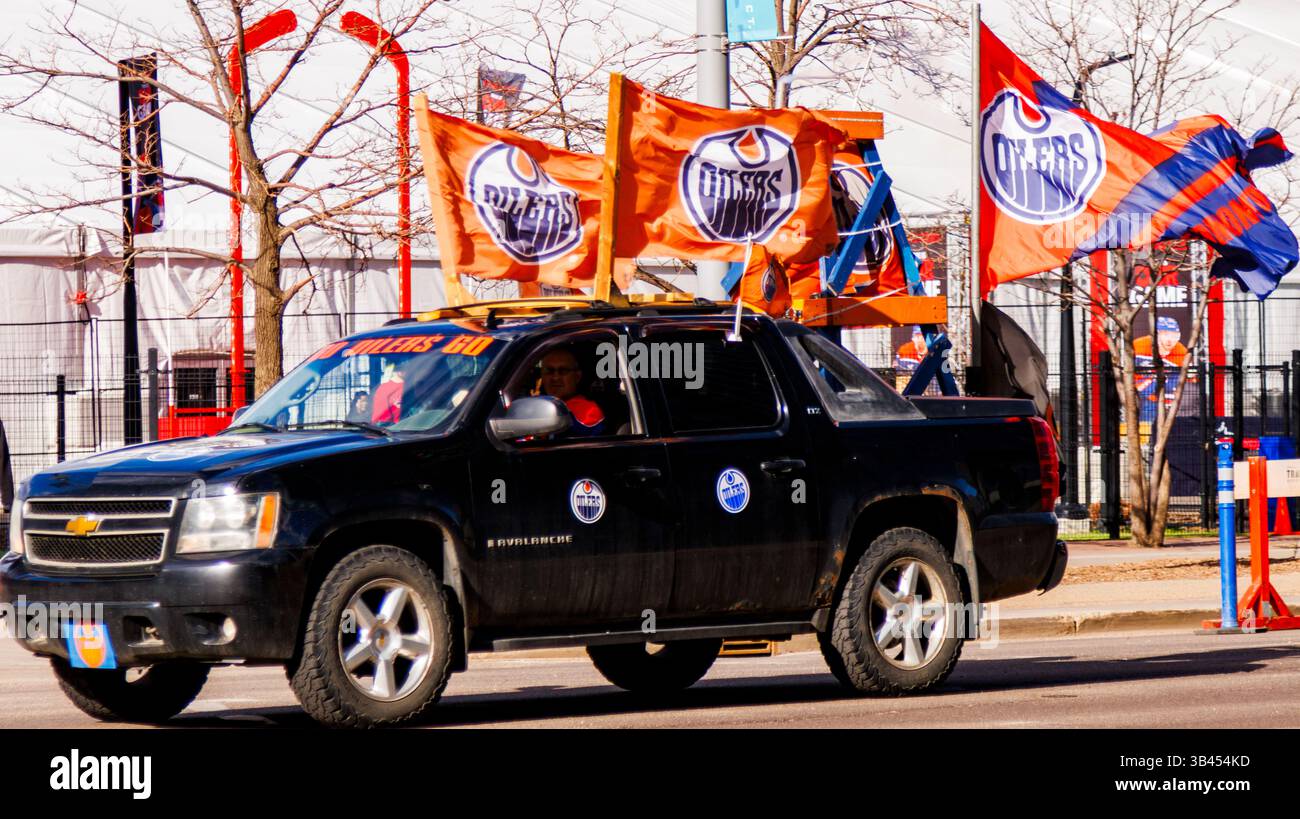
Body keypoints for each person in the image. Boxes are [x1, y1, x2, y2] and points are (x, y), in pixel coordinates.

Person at [538, 348, 605, 436]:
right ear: (542, 376)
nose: (555, 378)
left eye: (563, 371)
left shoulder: (588, 410)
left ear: (577, 376)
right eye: (549, 371)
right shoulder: (535, 405)